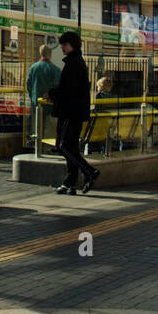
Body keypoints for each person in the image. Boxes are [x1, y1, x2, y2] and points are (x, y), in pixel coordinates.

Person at [50, 31, 99, 194]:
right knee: (70, 146)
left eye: (65, 44)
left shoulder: (73, 64)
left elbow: (69, 89)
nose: (62, 47)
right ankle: (70, 182)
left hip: (70, 111)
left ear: (72, 45)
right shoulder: (77, 62)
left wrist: (52, 94)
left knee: (63, 144)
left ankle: (89, 171)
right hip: (75, 111)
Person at [25, 45, 60, 145]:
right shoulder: (55, 70)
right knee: (49, 130)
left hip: (36, 103)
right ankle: (47, 148)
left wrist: (33, 97)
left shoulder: (34, 67)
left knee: (36, 128)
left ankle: (36, 147)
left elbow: (28, 84)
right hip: (50, 104)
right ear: (50, 54)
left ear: (40, 53)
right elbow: (58, 87)